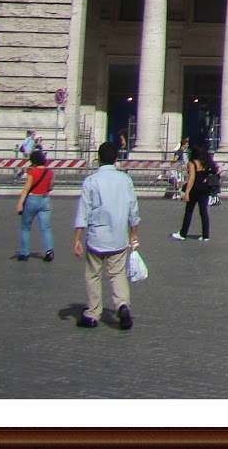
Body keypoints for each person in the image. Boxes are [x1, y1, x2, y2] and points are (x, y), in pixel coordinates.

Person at [73, 141, 140, 331]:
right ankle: (122, 305)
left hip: (96, 236)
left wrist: (77, 238)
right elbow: (132, 208)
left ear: (99, 158)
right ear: (116, 158)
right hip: (119, 236)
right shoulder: (125, 179)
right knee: (117, 273)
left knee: (93, 275)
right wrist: (133, 232)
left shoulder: (91, 181)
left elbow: (83, 211)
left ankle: (93, 313)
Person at [171, 142, 216, 242]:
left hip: (195, 188)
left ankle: (183, 233)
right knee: (203, 211)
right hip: (205, 188)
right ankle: (205, 235)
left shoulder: (192, 163)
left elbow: (191, 178)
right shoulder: (206, 162)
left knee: (189, 211)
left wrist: (186, 193)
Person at [15, 148, 54, 262]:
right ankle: (49, 251)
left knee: (25, 227)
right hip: (45, 199)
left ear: (34, 161)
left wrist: (20, 203)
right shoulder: (50, 172)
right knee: (45, 228)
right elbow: (51, 187)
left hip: (32, 199)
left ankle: (24, 253)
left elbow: (26, 188)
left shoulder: (32, 172)